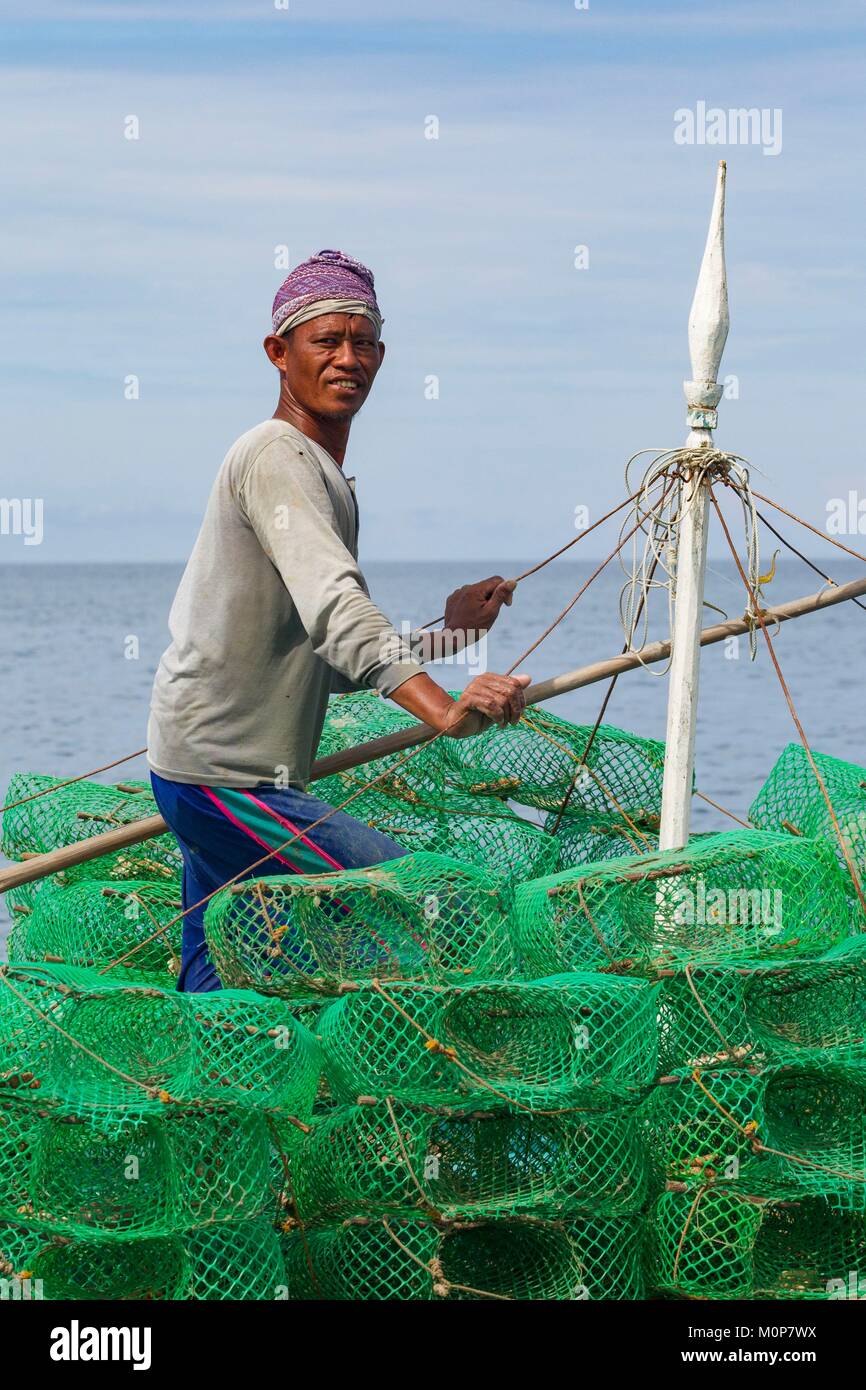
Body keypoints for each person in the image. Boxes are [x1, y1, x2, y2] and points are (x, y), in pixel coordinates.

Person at [147, 248, 529, 992]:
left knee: (220, 972)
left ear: (382, 356)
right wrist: (445, 712)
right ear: (278, 353)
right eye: (327, 341)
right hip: (226, 781)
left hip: (211, 771)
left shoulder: (321, 473)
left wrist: (449, 635)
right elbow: (338, 609)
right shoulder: (276, 457)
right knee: (421, 905)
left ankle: (209, 1100)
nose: (347, 358)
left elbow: (316, 655)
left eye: (363, 342)